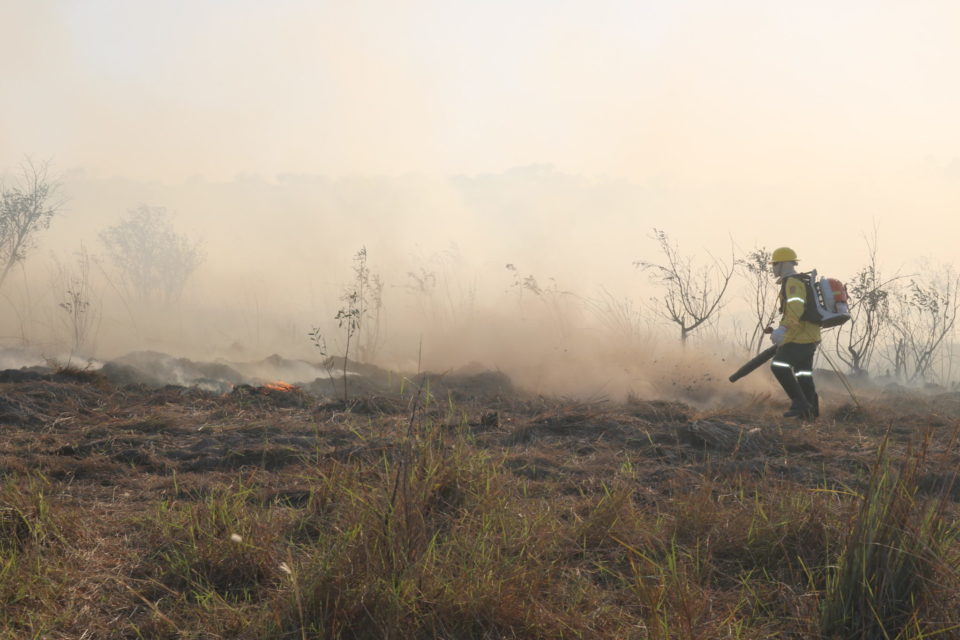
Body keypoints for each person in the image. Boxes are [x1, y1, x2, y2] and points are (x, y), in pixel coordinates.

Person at [768, 247, 820, 419]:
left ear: (783, 264)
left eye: (775, 264)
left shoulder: (792, 282)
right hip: (809, 336)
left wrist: (783, 329)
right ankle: (811, 410)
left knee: (779, 366)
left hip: (800, 337)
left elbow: (796, 308)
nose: (773, 267)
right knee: (803, 373)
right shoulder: (799, 281)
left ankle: (800, 404)